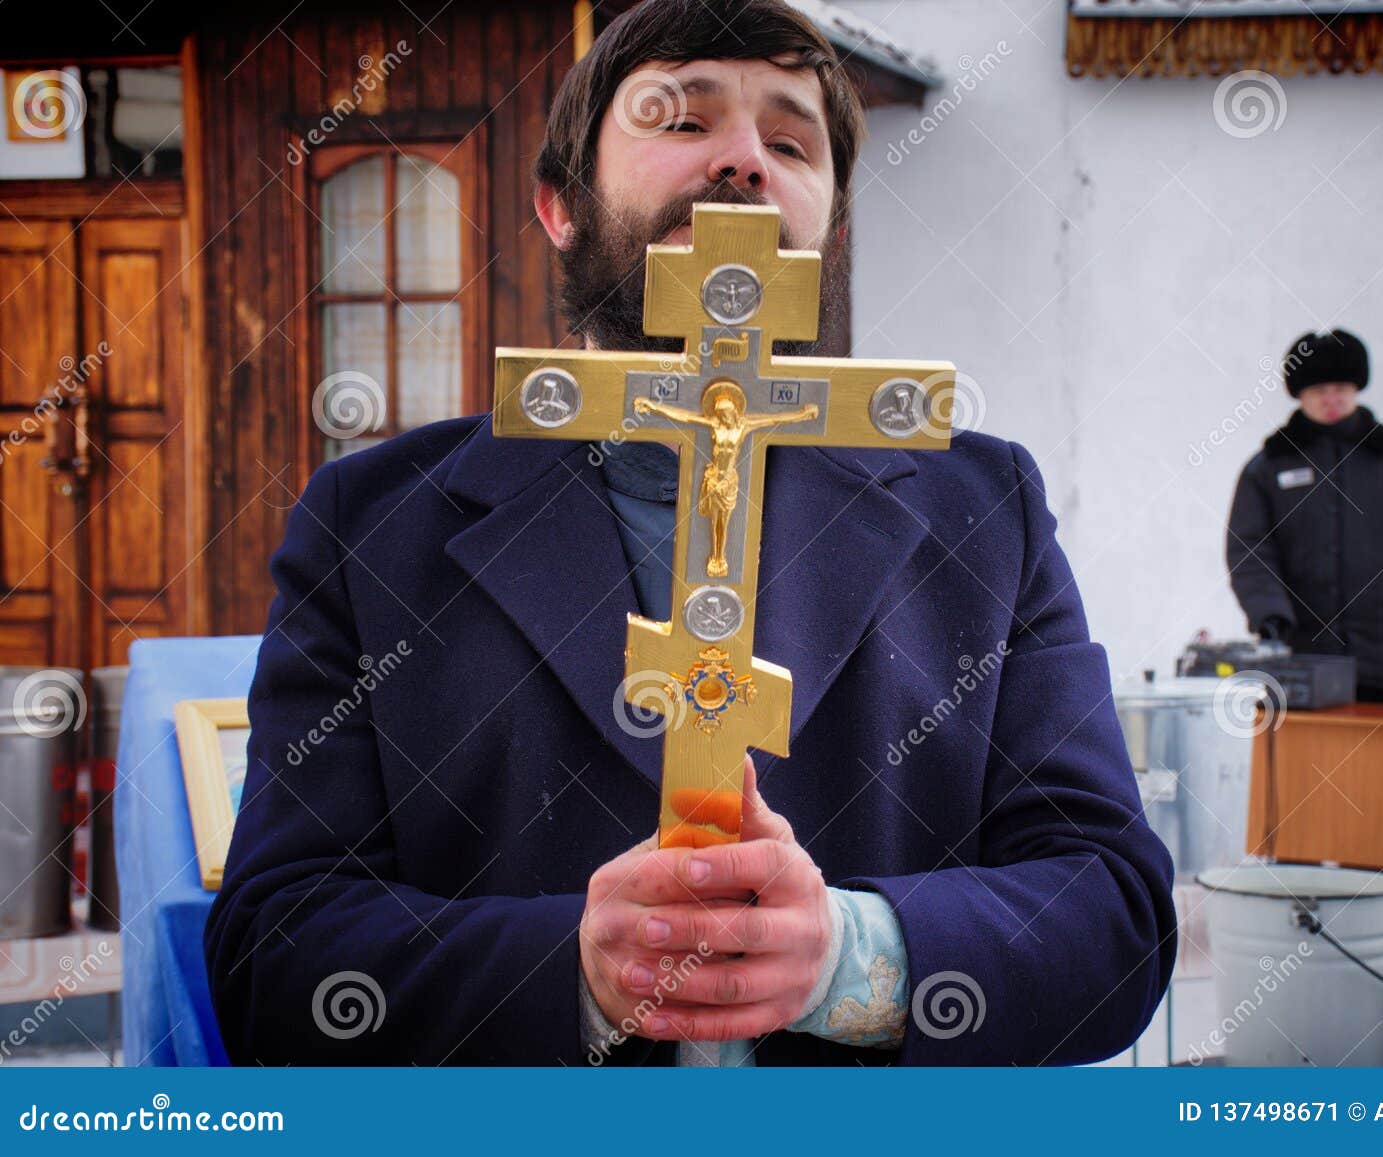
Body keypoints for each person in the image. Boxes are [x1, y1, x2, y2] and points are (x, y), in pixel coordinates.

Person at [203, 0, 1175, 1066]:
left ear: (829, 231)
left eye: (792, 143)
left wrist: (853, 956)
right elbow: (273, 952)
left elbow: (1113, 914)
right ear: (560, 207)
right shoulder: (374, 525)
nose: (744, 160)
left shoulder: (981, 512)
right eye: (681, 117)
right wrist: (571, 972)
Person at [1226, 329, 1383, 704]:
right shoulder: (1268, 468)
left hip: (1380, 665)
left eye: (1340, 388)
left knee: (1377, 745)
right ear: (1300, 394)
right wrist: (1270, 616)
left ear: (1356, 388)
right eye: (1319, 390)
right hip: (1298, 661)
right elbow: (1249, 551)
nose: (1330, 399)